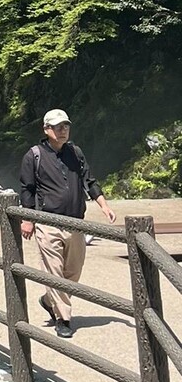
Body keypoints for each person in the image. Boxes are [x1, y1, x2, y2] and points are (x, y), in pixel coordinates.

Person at [20, 108, 116, 339]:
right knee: (54, 272)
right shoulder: (33, 156)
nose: (62, 130)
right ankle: (63, 318)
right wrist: (28, 219)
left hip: (75, 222)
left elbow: (89, 180)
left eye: (65, 126)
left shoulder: (76, 152)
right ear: (46, 129)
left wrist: (104, 205)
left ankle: (48, 300)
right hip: (48, 222)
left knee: (73, 271)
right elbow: (27, 190)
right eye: (57, 126)